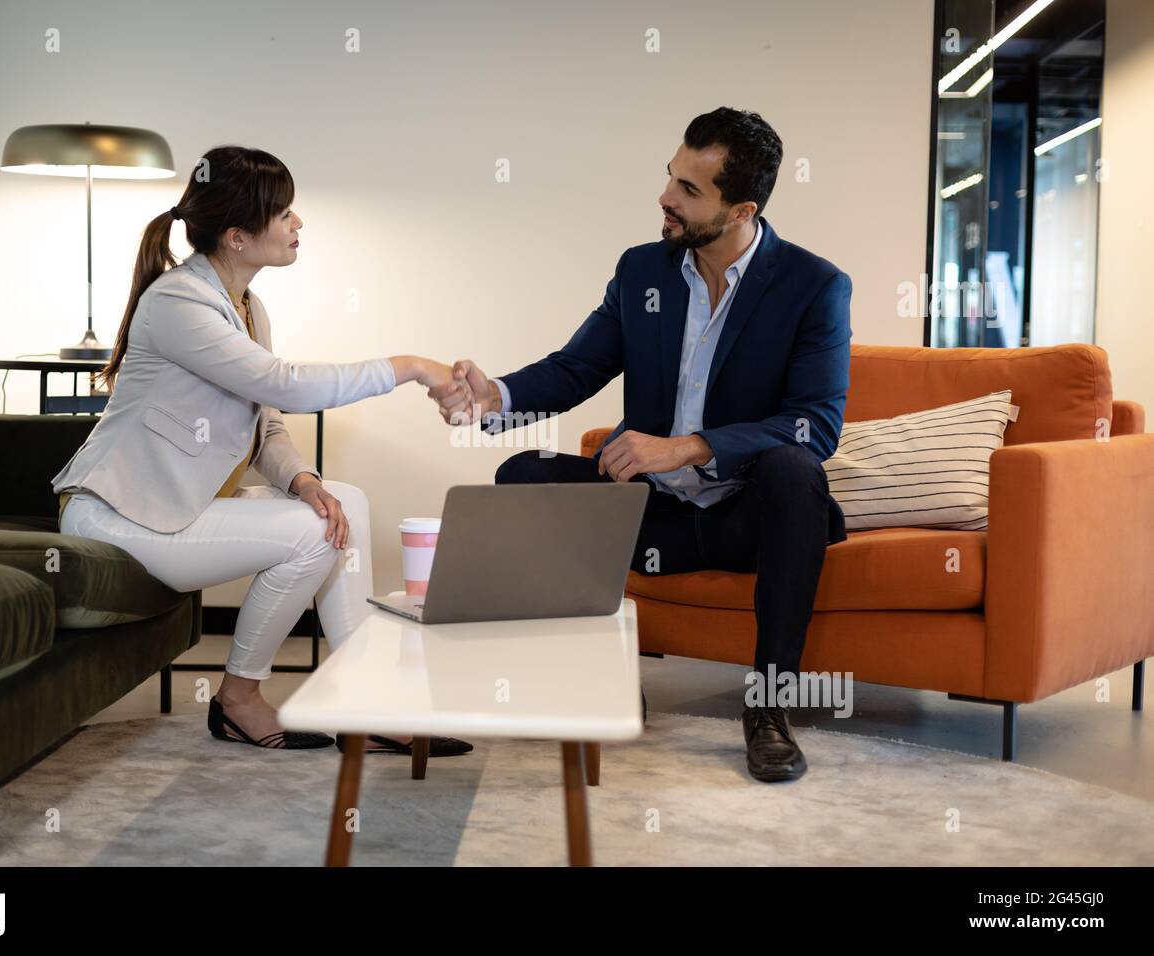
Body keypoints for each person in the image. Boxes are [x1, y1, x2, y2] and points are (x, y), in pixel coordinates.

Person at [430, 108, 851, 782]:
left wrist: (687, 446)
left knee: (795, 470)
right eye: (670, 178)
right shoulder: (642, 272)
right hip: (653, 517)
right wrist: (495, 397)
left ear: (741, 208)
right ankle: (603, 677)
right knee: (523, 472)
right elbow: (575, 370)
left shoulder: (813, 287)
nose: (666, 198)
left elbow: (815, 423)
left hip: (749, 520)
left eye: (690, 189)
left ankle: (768, 707)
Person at [53, 145, 471, 757]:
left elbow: (266, 423)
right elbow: (285, 386)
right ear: (238, 236)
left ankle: (368, 704)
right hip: (120, 517)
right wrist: (409, 366)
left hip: (180, 506)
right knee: (311, 534)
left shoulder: (248, 306)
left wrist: (304, 481)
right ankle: (239, 698)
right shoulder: (178, 303)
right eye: (284, 213)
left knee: (340, 502)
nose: (298, 223)